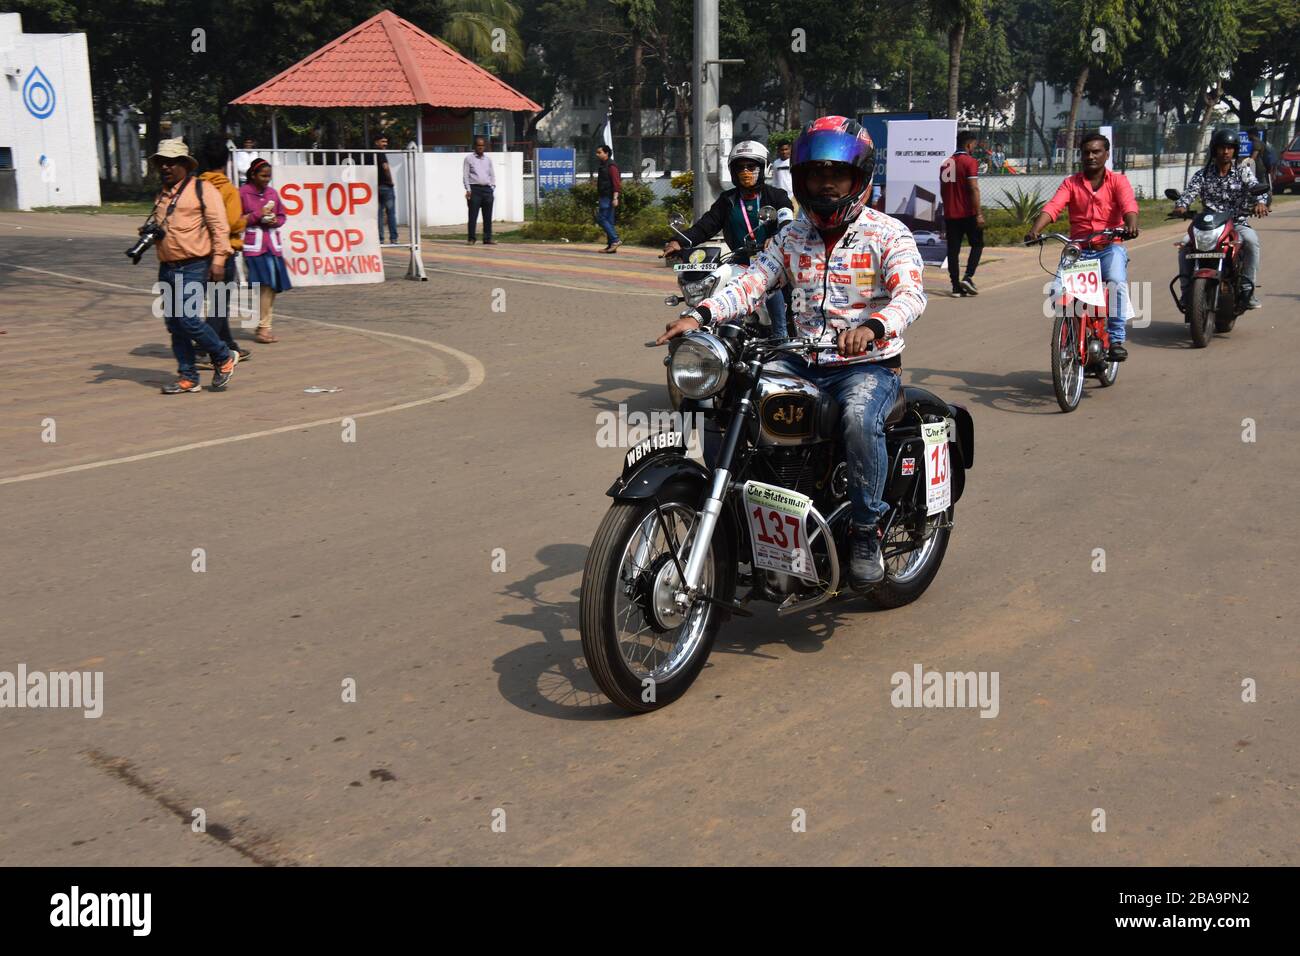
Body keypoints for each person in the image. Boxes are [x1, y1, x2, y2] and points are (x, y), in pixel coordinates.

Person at [655, 116, 927, 589]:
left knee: (859, 418)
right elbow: (753, 281)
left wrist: (874, 325)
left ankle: (865, 530)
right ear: (799, 181)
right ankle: (747, 513)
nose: (824, 186)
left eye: (835, 176)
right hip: (800, 360)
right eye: (814, 176)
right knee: (731, 400)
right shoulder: (792, 236)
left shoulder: (889, 234)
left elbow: (912, 294)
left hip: (866, 366)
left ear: (859, 179)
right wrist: (700, 316)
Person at [660, 140, 794, 336]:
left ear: (763, 168)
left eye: (752, 166)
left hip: (771, 264)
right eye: (740, 167)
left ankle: (781, 340)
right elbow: (705, 226)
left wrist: (776, 236)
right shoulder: (727, 200)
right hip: (739, 263)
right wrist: (678, 241)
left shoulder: (776, 195)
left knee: (775, 294)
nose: (746, 172)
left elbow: (786, 218)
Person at [1025, 131, 1139, 361]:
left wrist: (1131, 225)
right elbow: (1053, 207)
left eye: (1096, 152)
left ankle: (1116, 339)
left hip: (1109, 248)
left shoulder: (1118, 181)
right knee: (1058, 292)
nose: (1091, 156)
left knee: (1116, 282)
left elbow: (1129, 206)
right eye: (1086, 152)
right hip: (1078, 251)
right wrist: (1035, 229)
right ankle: (1070, 336)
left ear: (1106, 154)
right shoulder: (1071, 183)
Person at [146, 139, 239, 394]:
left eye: (171, 162)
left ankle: (223, 355)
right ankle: (188, 377)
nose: (165, 167)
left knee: (187, 319)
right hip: (167, 266)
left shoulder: (203, 189)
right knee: (175, 324)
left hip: (194, 265)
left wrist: (219, 261)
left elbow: (220, 227)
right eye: (161, 162)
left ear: (185, 164)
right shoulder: (162, 194)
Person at [1173, 128, 1270, 310]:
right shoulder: (1202, 174)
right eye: (1221, 148)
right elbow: (1190, 192)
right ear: (1214, 149)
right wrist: (1182, 205)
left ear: (1235, 150)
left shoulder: (1243, 171)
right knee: (1185, 247)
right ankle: (1187, 294)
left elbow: (1255, 187)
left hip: (1236, 223)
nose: (1225, 152)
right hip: (1207, 226)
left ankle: (1247, 290)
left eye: (1229, 148)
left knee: (1251, 241)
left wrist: (1260, 203)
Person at [195, 134, 250, 365]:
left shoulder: (195, 186)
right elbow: (232, 222)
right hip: (224, 251)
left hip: (199, 250)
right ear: (226, 161)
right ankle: (205, 348)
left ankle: (229, 344)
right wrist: (246, 219)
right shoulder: (228, 190)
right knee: (219, 303)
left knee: (218, 300)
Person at [239, 158, 293, 344]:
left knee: (272, 287)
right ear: (253, 175)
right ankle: (264, 327)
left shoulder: (272, 193)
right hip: (255, 246)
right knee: (265, 285)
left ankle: (264, 324)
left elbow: (282, 216)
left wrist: (274, 221)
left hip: (273, 245)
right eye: (263, 176)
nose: (266, 179)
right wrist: (257, 215)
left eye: (269, 176)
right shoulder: (243, 193)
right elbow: (238, 220)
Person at [940, 130, 985, 297]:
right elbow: (973, 188)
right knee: (978, 244)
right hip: (968, 213)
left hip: (951, 214)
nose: (974, 148)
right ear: (968, 145)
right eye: (973, 145)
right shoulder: (970, 162)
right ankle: (968, 276)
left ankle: (955, 286)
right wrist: (979, 213)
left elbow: (943, 190)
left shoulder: (946, 163)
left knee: (953, 250)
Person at [463, 136, 496, 245]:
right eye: (478, 146)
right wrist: (468, 189)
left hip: (487, 190)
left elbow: (492, 174)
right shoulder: (469, 159)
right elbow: (465, 176)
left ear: (484, 146)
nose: (480, 148)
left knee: (488, 216)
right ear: (475, 146)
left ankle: (487, 238)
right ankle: (471, 238)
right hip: (474, 189)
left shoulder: (488, 160)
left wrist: (492, 187)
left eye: (482, 146)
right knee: (473, 216)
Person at [594, 144, 622, 253]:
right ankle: (611, 246)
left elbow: (616, 183)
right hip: (604, 195)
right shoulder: (603, 165)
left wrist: (615, 197)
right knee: (609, 221)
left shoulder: (611, 166)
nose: (597, 154)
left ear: (606, 153)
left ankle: (615, 240)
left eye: (599, 152)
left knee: (601, 218)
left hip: (608, 196)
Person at [372, 133, 398, 244]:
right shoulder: (380, 153)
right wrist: (390, 181)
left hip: (375, 187)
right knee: (390, 213)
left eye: (386, 142)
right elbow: (385, 167)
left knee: (379, 214)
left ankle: (380, 239)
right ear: (376, 142)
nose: (385, 144)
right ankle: (393, 238)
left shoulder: (370, 154)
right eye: (383, 142)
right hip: (386, 187)